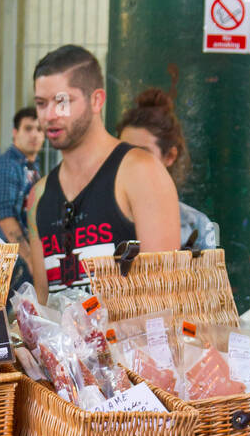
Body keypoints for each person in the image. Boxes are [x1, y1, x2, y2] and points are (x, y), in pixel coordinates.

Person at [26, 45, 181, 304]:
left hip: (130, 343)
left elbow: (164, 293)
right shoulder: (38, 195)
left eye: (63, 101)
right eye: (41, 103)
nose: (50, 115)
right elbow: (43, 302)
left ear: (97, 100)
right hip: (60, 343)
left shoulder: (140, 172)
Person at [117, 87, 218, 251]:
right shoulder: (100, 216)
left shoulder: (195, 225)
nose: (130, 162)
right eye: (122, 152)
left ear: (170, 156)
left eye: (142, 154)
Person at [0, 106, 44, 287]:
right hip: (5, 259)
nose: (34, 135)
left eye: (39, 129)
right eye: (28, 128)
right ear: (14, 133)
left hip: (19, 256)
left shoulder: (31, 166)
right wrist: (31, 259)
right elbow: (6, 218)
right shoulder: (7, 166)